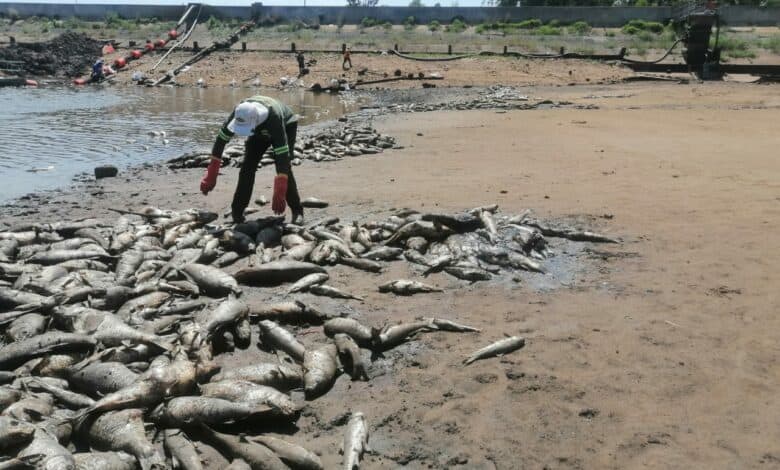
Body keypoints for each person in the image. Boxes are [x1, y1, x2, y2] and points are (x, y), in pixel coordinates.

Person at [200, 95, 304, 224]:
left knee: (284, 168)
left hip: (286, 125)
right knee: (247, 168)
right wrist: (212, 171)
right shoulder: (240, 111)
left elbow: (282, 154)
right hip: (258, 130)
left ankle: (297, 210)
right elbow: (221, 140)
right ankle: (237, 211)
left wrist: (281, 186)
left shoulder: (274, 117)